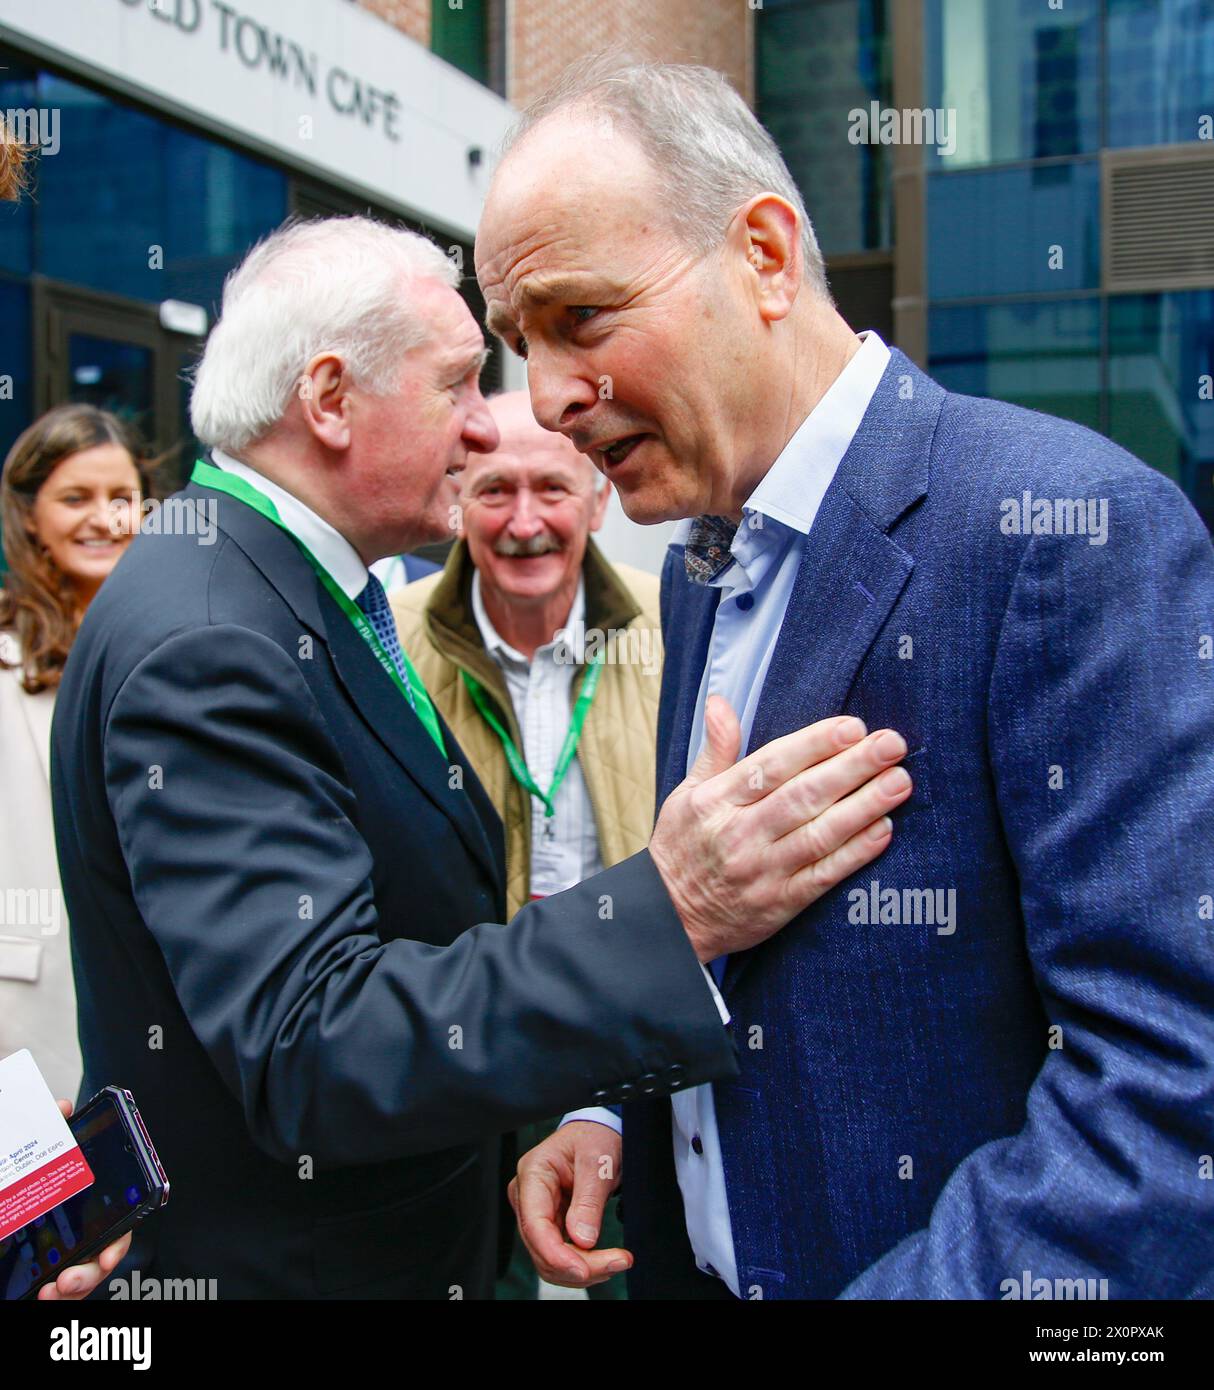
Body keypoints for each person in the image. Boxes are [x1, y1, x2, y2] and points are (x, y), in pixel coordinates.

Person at [49, 215, 912, 1299]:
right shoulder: (216, 633)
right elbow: (312, 1044)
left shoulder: (277, 584)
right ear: (326, 398)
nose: (484, 426)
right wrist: (671, 907)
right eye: (457, 383)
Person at [477, 57, 1214, 1299]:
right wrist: (609, 1111)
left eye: (580, 320)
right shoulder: (693, 568)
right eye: (517, 342)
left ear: (763, 256)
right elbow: (720, 938)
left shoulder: (1065, 531)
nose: (547, 398)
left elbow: (1165, 1098)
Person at [392, 389, 658, 1298]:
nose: (524, 522)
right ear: (457, 500)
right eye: (494, 491)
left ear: (595, 499)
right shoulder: (389, 642)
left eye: (552, 489)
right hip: (463, 1040)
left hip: (628, 1035)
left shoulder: (675, 628)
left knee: (630, 1261)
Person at [0, 404, 152, 1298]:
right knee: (54, 1273)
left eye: (123, 496)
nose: (105, 518)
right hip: (31, 1030)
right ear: (28, 516)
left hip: (148, 1019)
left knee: (139, 1268)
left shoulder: (165, 638)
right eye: (77, 498)